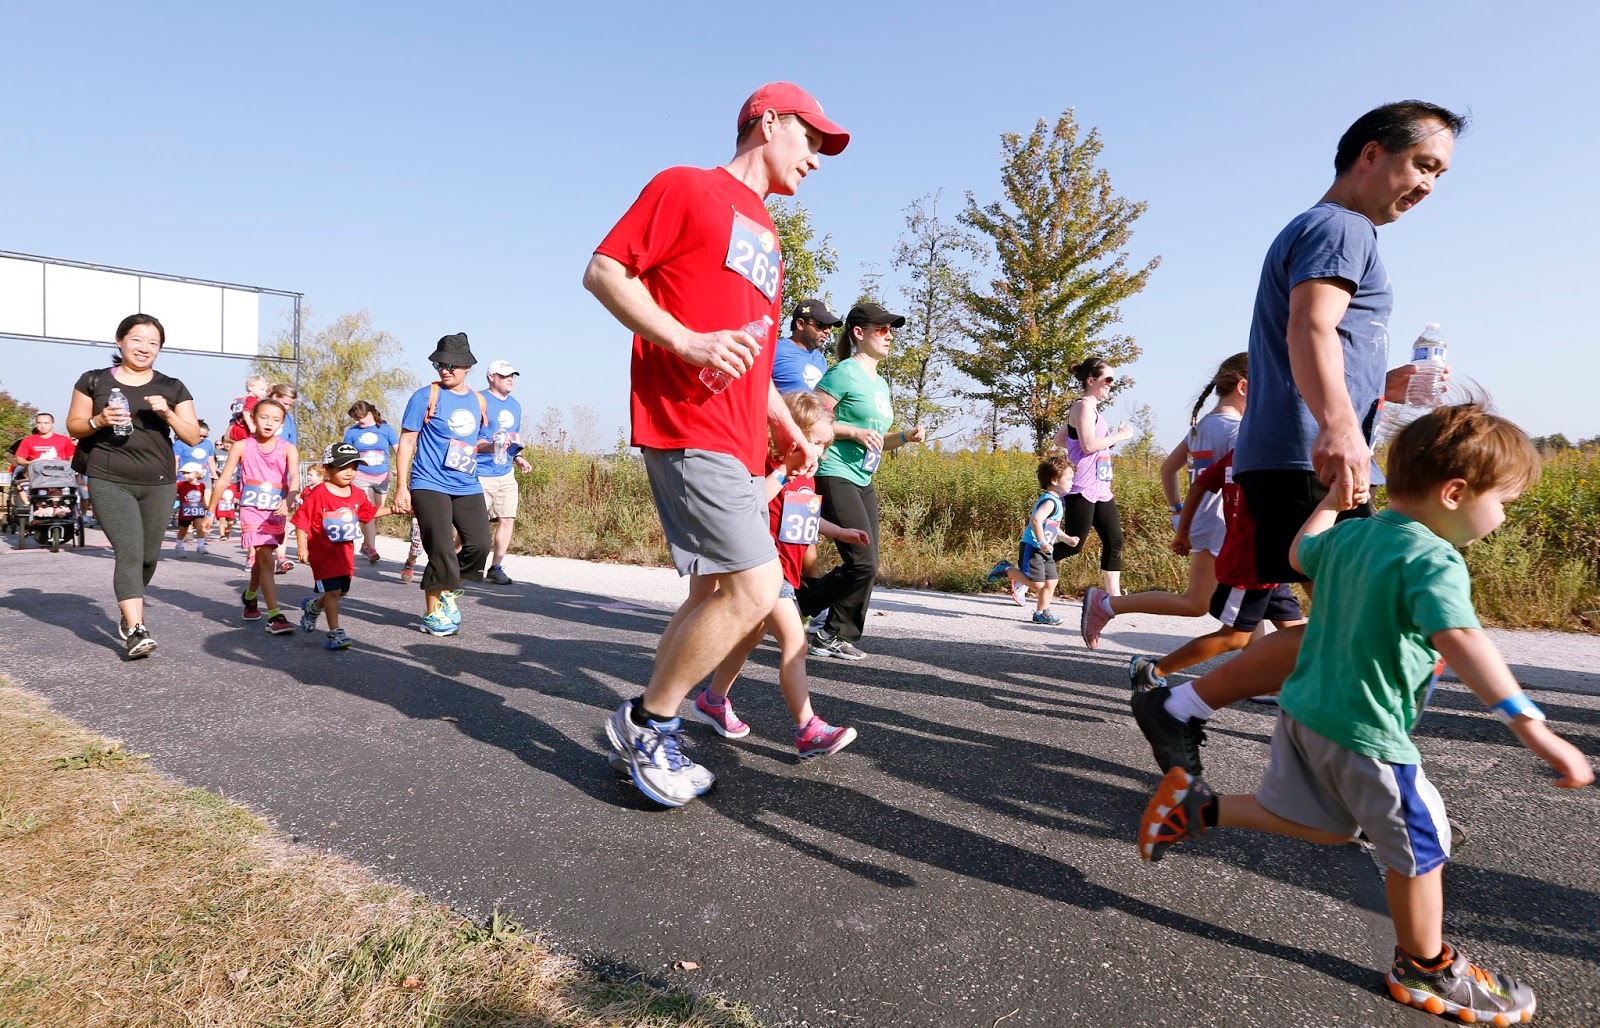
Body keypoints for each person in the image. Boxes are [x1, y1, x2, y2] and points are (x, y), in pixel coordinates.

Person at [1138, 404, 1592, 1024]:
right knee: (1422, 848)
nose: (1504, 516)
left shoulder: (1354, 535)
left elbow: (1301, 552)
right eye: (1503, 501)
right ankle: (1425, 967)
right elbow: (1465, 643)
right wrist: (1532, 726)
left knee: (1325, 825)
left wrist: (1332, 497)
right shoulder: (1433, 560)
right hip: (1369, 737)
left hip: (1304, 716)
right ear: (1455, 493)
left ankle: (1196, 808)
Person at [1132, 101, 1468, 774]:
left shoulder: (1323, 228)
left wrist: (1385, 386)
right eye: (1423, 164)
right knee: (1377, 617)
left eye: (1441, 173)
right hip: (1306, 457)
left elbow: (1320, 341)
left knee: (1355, 620)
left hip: (1299, 453)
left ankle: (1311, 758)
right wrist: (1343, 429)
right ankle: (1194, 712)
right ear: (1371, 154)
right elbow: (1310, 328)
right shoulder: (1344, 229)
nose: (1429, 185)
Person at [583, 80, 847, 807]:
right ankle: (649, 722)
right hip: (686, 423)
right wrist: (686, 341)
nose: (818, 159)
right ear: (768, 122)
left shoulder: (767, 233)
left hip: (738, 436)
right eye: (812, 139)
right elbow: (604, 271)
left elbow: (755, 354)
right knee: (758, 589)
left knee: (713, 592)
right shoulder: (687, 188)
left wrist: (785, 425)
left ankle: (643, 717)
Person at [690, 391, 862, 758]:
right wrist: (783, 471)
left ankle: (713, 700)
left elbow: (805, 515)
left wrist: (840, 532)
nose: (819, 452)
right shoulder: (768, 465)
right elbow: (752, 503)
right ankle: (808, 729)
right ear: (791, 434)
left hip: (788, 570)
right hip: (764, 568)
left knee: (747, 639)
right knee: (795, 643)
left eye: (824, 445)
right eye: (815, 442)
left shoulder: (807, 475)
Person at [1081, 354, 1247, 647]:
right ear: (1243, 388)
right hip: (1223, 525)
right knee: (1228, 607)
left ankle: (1262, 677)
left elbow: (1168, 468)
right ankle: (1107, 605)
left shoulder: (1203, 426)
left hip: (1203, 522)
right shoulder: (1237, 430)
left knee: (1210, 605)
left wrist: (1178, 512)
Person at [64, 314, 204, 658]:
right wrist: (98, 420)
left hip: (158, 481)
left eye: (153, 343)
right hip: (109, 478)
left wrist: (168, 413)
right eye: (137, 339)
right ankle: (136, 628)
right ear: (120, 341)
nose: (144, 348)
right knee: (128, 552)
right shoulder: (93, 381)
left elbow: (192, 435)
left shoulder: (173, 386)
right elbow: (73, 425)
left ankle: (129, 614)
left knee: (148, 556)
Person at [800, 302, 926, 661]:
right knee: (862, 562)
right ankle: (800, 601)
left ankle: (833, 634)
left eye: (891, 331)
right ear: (859, 333)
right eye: (882, 330)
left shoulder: (881, 384)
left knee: (869, 561)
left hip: (862, 477)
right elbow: (813, 422)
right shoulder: (842, 374)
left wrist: (903, 437)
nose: (890, 337)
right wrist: (852, 431)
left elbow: (875, 438)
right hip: (833, 471)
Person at [1126, 449, 1304, 693]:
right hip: (1250, 565)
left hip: (1272, 564)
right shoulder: (1279, 455)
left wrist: (1183, 531)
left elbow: (1199, 485)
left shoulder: (1241, 452)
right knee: (1234, 637)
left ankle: (1288, 689)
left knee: (1299, 634)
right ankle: (1152, 670)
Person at [392, 333, 494, 638]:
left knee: (480, 545)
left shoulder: (478, 400)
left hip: (466, 482)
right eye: (440, 364)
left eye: (452, 364)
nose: (445, 369)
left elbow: (478, 441)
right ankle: (433, 613)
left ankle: (449, 588)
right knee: (440, 548)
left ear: (466, 367)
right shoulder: (425, 396)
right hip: (429, 482)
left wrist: (501, 447)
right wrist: (401, 487)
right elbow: (407, 441)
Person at [1052, 357, 1133, 632]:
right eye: (1107, 380)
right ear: (1091, 381)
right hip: (1082, 486)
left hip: (1101, 487)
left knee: (1115, 539)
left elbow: (1061, 439)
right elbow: (1087, 445)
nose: (1111, 385)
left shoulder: (1091, 410)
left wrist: (1076, 442)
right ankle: (1024, 572)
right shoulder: (1082, 406)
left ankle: (1114, 599)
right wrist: (1120, 436)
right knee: (1073, 544)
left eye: (1112, 380)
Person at [209, 398, 299, 635]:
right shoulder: (242, 446)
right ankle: (274, 616)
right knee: (265, 556)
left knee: (264, 556)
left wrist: (288, 500)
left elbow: (295, 481)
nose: (269, 423)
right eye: (264, 417)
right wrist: (210, 511)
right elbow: (224, 479)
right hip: (251, 509)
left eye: (276, 419)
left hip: (275, 508)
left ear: (282, 423)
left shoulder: (288, 448)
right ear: (253, 418)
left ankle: (250, 596)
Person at [294, 443, 394, 650]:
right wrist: (302, 547)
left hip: (344, 554)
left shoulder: (356, 494)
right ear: (327, 469)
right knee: (333, 592)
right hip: (322, 554)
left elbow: (369, 513)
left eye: (354, 467)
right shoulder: (318, 493)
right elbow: (301, 520)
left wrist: (393, 509)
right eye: (343, 467)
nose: (350, 472)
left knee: (341, 591)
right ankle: (334, 633)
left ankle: (314, 607)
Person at [985, 456, 1081, 625]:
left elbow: (1051, 526)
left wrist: (1067, 539)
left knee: (1052, 581)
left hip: (1045, 549)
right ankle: (1006, 569)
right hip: (1034, 547)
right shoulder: (1050, 501)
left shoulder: (1056, 501)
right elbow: (1036, 520)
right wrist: (1043, 542)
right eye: (1069, 479)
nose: (1072, 482)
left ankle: (1041, 613)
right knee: (1037, 584)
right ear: (1055, 480)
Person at [479, 359, 534, 585]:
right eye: (504, 375)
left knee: (508, 518)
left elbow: (515, 435)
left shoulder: (515, 405)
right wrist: (492, 446)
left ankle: (495, 567)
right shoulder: (479, 400)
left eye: (513, 375)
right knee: (473, 525)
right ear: (491, 377)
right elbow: (471, 437)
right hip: (480, 472)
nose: (510, 379)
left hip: (505, 471)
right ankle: (455, 561)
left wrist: (518, 457)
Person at [343, 400, 400, 565]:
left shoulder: (386, 429)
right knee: (368, 511)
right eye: (355, 419)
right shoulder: (352, 433)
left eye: (360, 418)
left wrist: (400, 469)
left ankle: (366, 545)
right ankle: (372, 549)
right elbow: (347, 456)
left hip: (382, 477)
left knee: (377, 514)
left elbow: (399, 450)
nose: (357, 422)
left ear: (369, 414)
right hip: (361, 475)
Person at [771, 298, 842, 393]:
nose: (827, 331)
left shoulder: (821, 359)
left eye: (829, 327)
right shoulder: (775, 351)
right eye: (821, 324)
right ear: (800, 324)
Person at [172, 463, 210, 556]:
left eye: (187, 473)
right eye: (183, 473)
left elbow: (202, 497)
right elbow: (172, 494)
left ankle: (201, 546)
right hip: (185, 512)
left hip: (198, 510)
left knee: (200, 527)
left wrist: (206, 506)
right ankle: (179, 546)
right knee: (183, 530)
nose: (184, 475)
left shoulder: (202, 486)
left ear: (196, 474)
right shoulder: (180, 484)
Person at [227, 375, 269, 441]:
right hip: (245, 430)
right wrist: (251, 425)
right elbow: (246, 412)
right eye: (262, 389)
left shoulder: (242, 399)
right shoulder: (253, 400)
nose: (264, 392)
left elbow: (233, 408)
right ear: (250, 388)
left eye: (265, 391)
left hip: (236, 429)